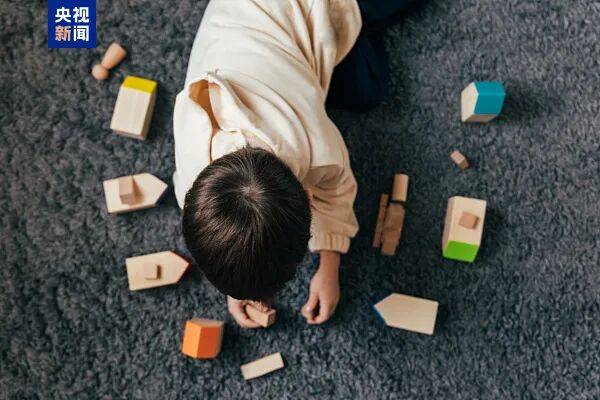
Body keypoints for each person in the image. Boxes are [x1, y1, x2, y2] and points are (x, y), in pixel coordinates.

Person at [173, 0, 416, 327]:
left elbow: (338, 190)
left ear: (310, 196)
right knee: (359, 82)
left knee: (371, 88)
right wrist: (236, 282)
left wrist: (330, 262)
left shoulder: (314, 151)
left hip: (306, 8)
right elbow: (219, 235)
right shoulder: (191, 182)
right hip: (246, 26)